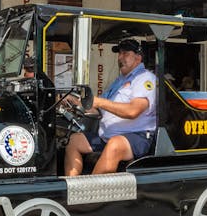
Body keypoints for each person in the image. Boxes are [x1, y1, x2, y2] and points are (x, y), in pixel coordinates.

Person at [64, 39, 158, 176]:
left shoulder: (145, 79)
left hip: (138, 136)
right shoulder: (119, 81)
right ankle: (72, 187)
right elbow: (98, 108)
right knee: (73, 140)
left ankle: (90, 192)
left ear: (138, 57)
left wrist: (100, 102)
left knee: (115, 145)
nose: (120, 57)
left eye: (125, 53)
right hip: (108, 135)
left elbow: (133, 111)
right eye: (119, 53)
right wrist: (73, 102)